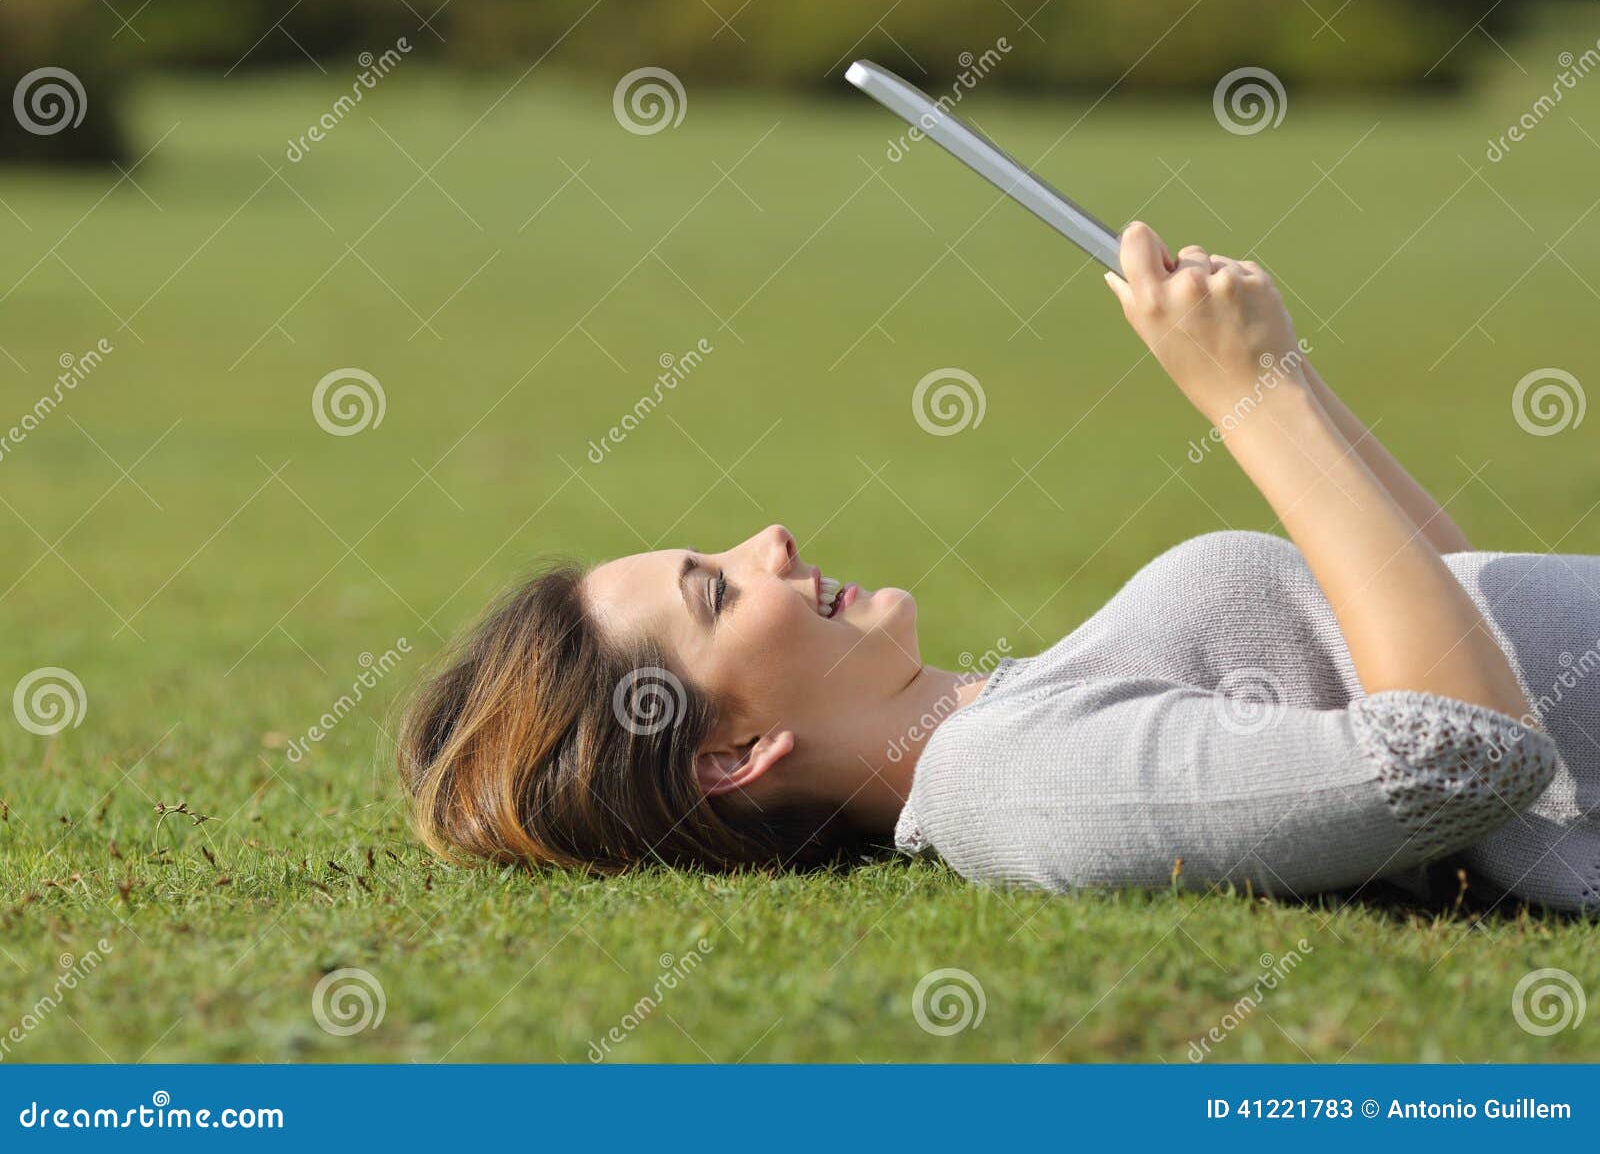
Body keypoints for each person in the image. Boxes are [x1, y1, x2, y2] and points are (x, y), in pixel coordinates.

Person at [397, 223, 1598, 912]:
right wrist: (1246, 399)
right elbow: (1459, 751)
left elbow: (1452, 595)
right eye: (716, 590)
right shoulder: (1015, 784)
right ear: (733, 754)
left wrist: (1282, 373)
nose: (768, 541)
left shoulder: (1017, 701)